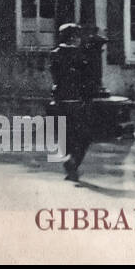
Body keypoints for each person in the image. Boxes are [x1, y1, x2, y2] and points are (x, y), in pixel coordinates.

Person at [50, 23, 92, 181]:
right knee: (85, 136)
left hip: (60, 100)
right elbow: (87, 81)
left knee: (65, 135)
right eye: (78, 36)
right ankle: (72, 162)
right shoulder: (81, 56)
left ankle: (69, 164)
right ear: (73, 37)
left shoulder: (55, 54)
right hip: (77, 101)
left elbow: (55, 77)